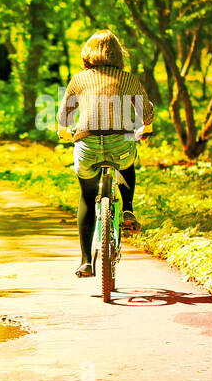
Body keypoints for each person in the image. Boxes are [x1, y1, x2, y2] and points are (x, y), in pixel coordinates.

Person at [57, 29, 155, 278]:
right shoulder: (127, 78)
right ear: (118, 55)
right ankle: (128, 208)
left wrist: (64, 131)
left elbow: (63, 117)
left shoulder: (79, 79)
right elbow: (147, 113)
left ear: (88, 53)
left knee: (87, 196)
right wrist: (146, 127)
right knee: (127, 162)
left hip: (87, 144)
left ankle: (85, 262)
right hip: (119, 144)